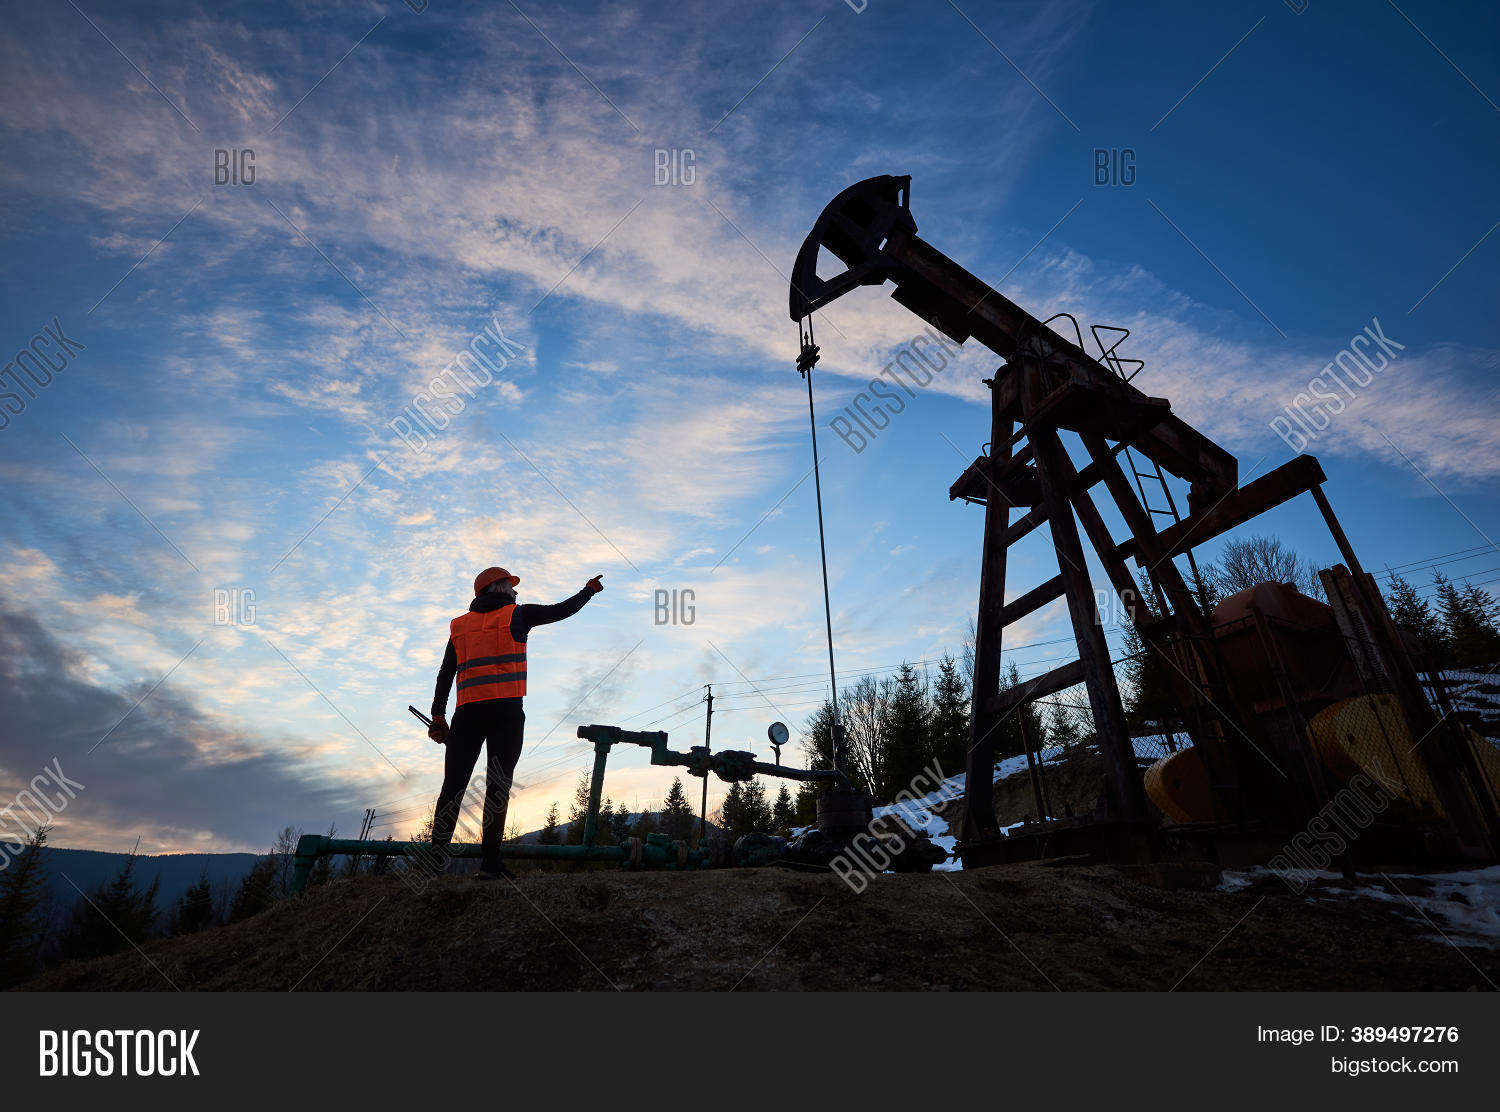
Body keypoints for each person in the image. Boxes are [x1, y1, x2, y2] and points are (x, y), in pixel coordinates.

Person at [428, 565, 603, 880]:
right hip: (506, 713)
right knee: (498, 787)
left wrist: (438, 716)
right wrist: (588, 590)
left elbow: (445, 673)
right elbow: (562, 610)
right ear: (496, 588)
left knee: (453, 787)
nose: (516, 591)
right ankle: (490, 866)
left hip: (466, 714)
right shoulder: (517, 615)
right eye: (511, 586)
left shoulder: (459, 626)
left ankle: (433, 865)